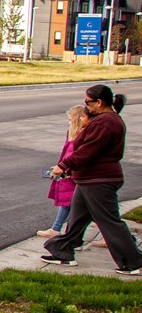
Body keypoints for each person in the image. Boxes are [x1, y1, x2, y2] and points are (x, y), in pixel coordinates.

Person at [41, 86, 141, 275]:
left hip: (99, 180)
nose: (86, 106)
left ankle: (134, 262)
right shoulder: (107, 120)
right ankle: (63, 251)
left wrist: (63, 165)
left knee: (109, 222)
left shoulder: (105, 122)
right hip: (88, 180)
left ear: (99, 102)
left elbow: (88, 150)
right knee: (77, 219)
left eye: (88, 102)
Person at [38, 105, 89, 238]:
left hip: (73, 175)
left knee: (85, 209)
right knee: (69, 202)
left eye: (70, 119)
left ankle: (71, 237)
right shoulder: (74, 135)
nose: (69, 122)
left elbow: (73, 156)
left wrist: (62, 168)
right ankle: (57, 228)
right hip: (69, 173)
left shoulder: (80, 137)